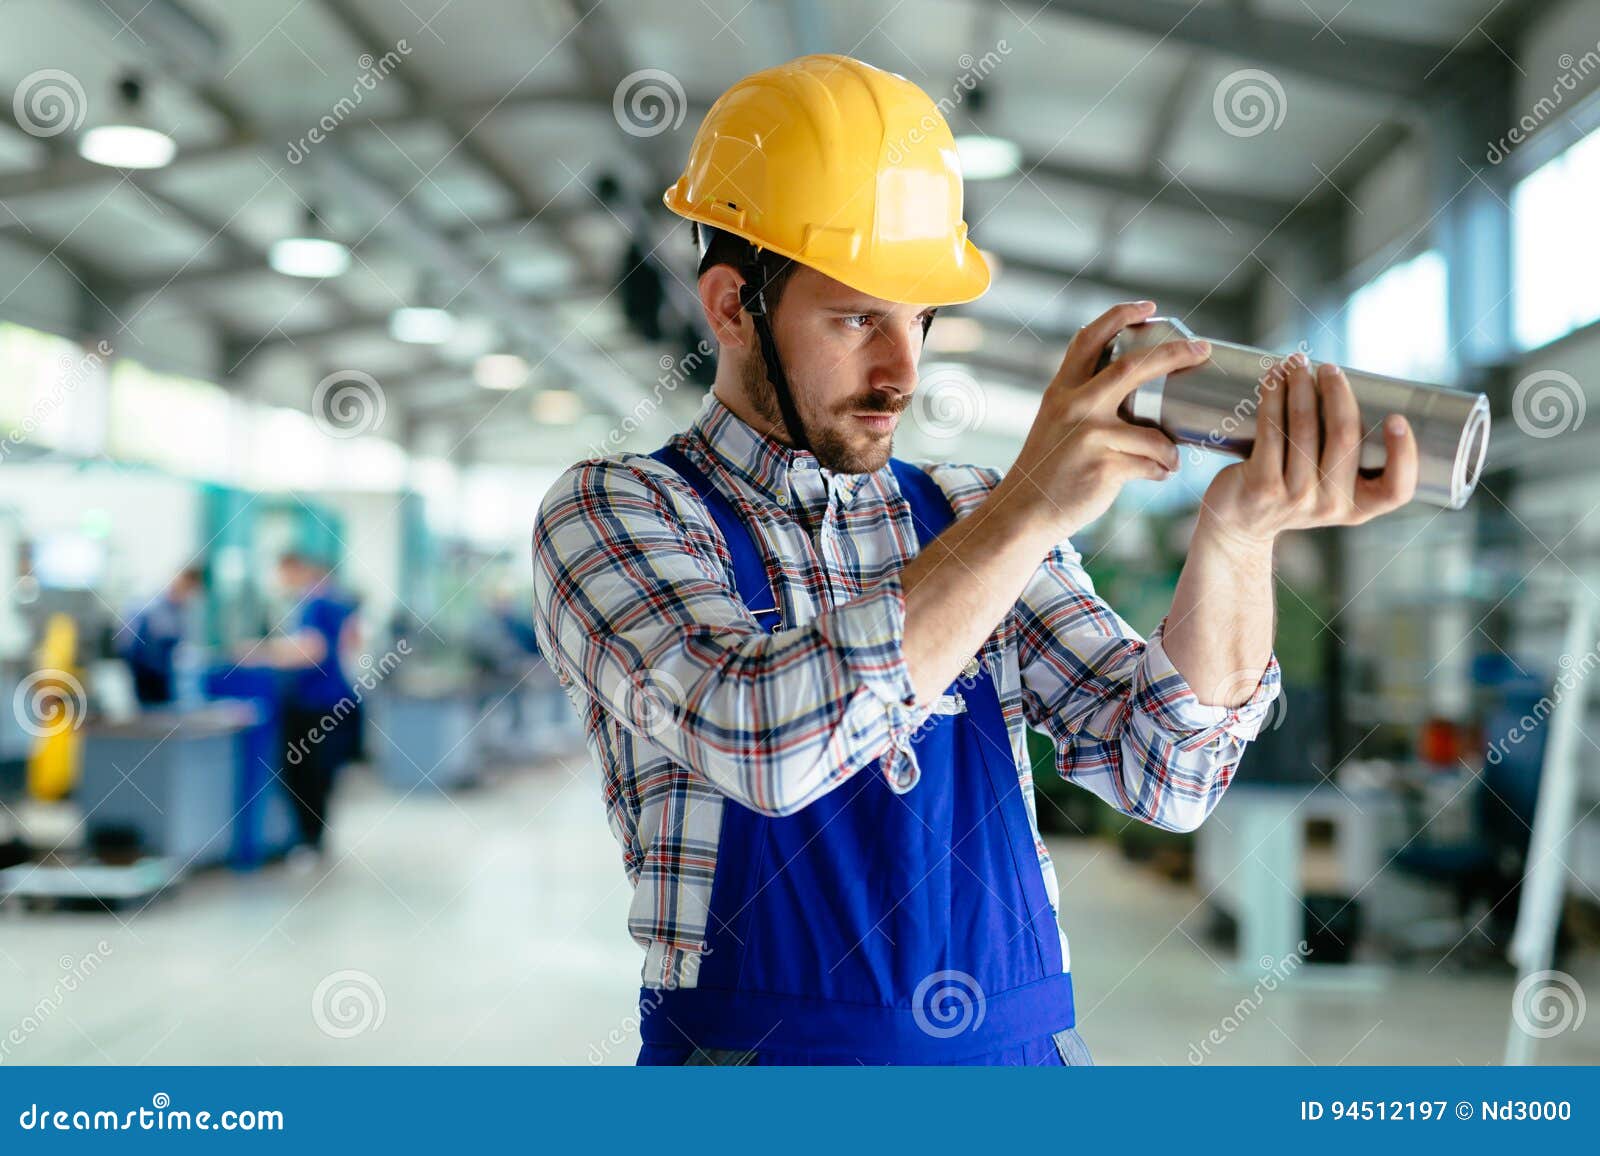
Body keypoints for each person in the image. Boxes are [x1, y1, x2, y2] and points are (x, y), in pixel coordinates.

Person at [531, 55, 1420, 1067]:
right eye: (858, 316)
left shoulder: (965, 510)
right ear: (732, 306)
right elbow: (767, 743)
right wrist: (1033, 504)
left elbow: (1166, 770)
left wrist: (1238, 536)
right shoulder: (617, 511)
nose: (901, 370)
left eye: (919, 320)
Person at [257, 553, 359, 863]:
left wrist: (261, 653)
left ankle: (310, 840)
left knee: (303, 771)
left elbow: (312, 650)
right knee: (316, 772)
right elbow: (350, 641)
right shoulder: (336, 603)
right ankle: (313, 838)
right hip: (331, 698)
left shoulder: (314, 603)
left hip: (312, 701)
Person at [116, 567, 203, 706]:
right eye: (188, 590)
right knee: (149, 709)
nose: (189, 595)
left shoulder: (179, 610)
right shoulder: (151, 606)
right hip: (144, 669)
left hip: (163, 672)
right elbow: (129, 643)